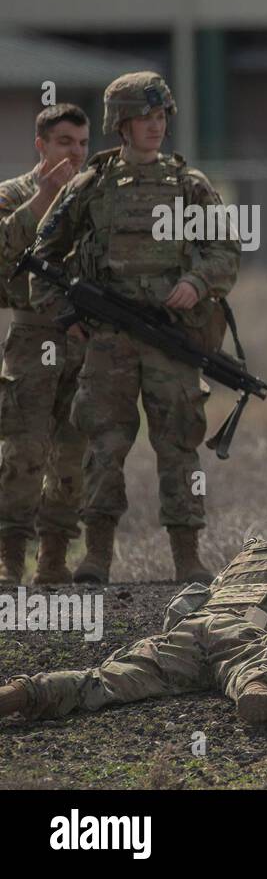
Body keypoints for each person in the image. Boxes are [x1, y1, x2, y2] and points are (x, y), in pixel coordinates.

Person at [30, 73, 239, 584]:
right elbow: (42, 258)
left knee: (180, 447)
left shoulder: (190, 186)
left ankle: (187, 557)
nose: (156, 125)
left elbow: (225, 251)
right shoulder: (92, 186)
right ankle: (97, 555)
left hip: (171, 339)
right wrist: (70, 318)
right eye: (145, 117)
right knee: (103, 446)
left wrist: (196, 280)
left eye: (162, 116)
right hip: (110, 342)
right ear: (121, 124)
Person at [0, 475, 267, 726]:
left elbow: (199, 598)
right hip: (249, 633)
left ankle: (22, 694)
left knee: (106, 680)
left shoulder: (252, 552)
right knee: (260, 659)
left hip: (191, 630)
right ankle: (256, 694)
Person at [0, 103, 91, 584]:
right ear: (41, 145)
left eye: (81, 144)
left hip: (84, 337)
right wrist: (41, 202)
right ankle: (11, 557)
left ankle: (54, 558)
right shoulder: (13, 195)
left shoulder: (94, 200)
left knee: (73, 456)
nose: (74, 154)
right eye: (64, 143)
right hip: (33, 335)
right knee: (23, 450)